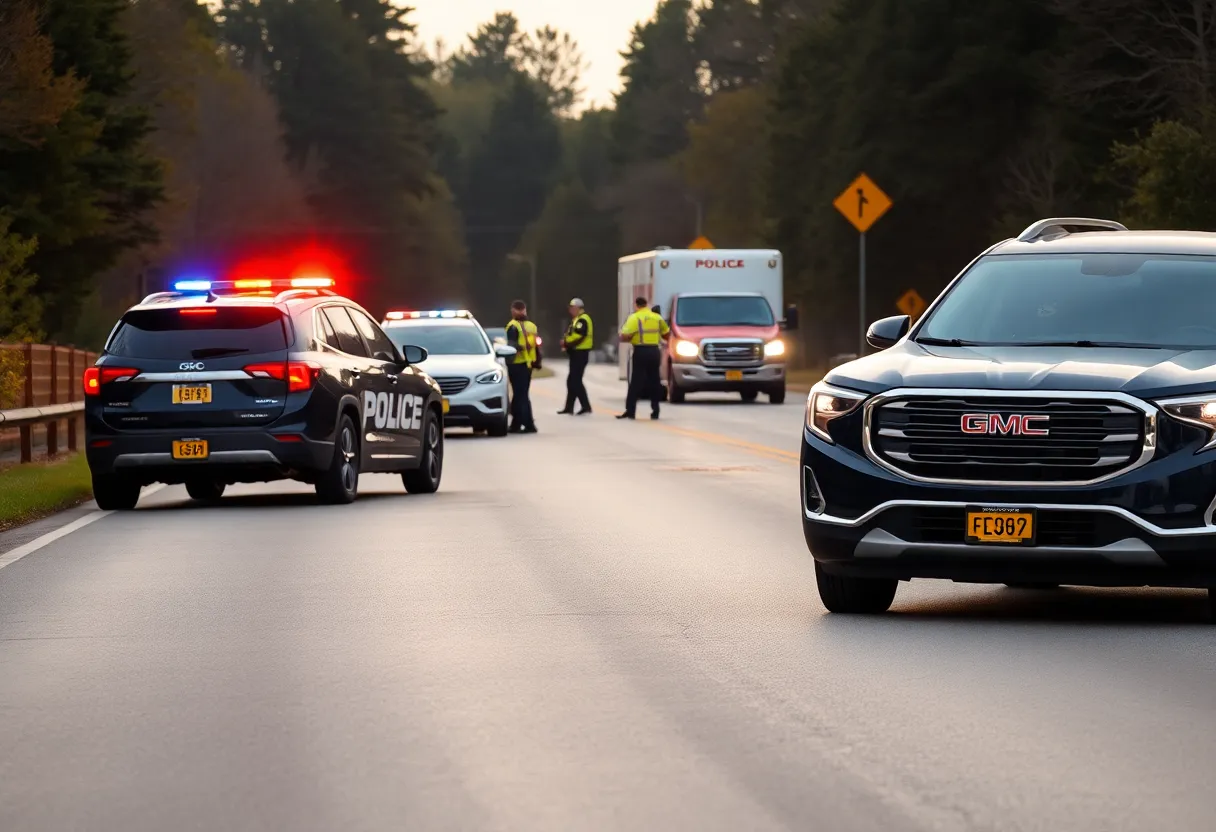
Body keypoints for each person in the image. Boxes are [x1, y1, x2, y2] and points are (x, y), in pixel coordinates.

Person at [617, 296, 670, 420]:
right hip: (654, 351)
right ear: (646, 305)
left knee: (636, 381)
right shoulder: (657, 317)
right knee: (654, 381)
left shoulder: (634, 317)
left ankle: (630, 411)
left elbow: (624, 335)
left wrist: (628, 338)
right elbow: (667, 334)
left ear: (636, 305)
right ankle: (655, 411)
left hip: (640, 351)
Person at [504, 300, 538, 433]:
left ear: (513, 310)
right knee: (521, 394)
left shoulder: (513, 326)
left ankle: (529, 424)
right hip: (528, 364)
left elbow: (512, 347)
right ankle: (516, 424)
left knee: (520, 395)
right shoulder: (532, 326)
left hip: (516, 364)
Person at [558, 298, 593, 415]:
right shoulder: (576, 319)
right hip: (575, 353)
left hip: (581, 353)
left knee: (575, 381)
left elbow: (579, 337)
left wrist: (567, 343)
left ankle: (585, 406)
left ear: (578, 308)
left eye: (572, 308)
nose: (570, 310)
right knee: (572, 381)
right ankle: (569, 407)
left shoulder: (583, 320)